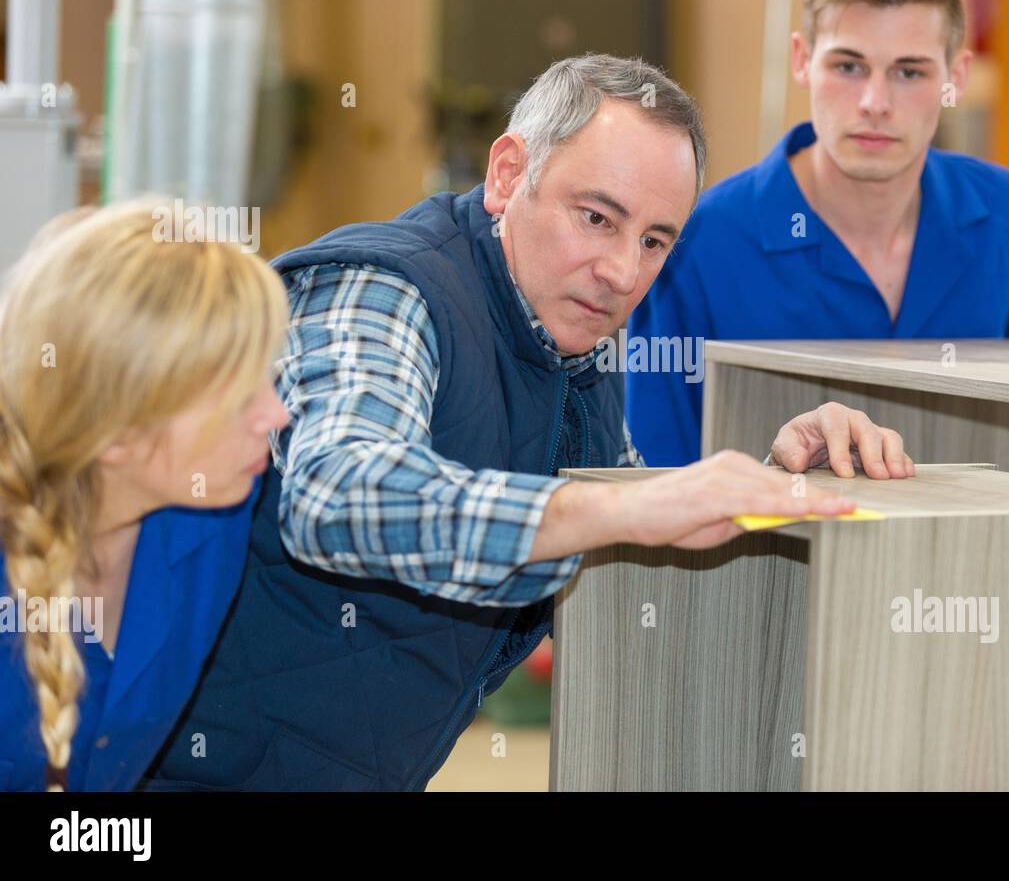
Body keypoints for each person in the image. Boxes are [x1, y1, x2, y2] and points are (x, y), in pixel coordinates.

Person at [144, 53, 913, 791]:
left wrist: (772, 481)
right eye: (595, 217)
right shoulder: (384, 290)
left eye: (654, 242)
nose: (621, 272)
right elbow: (338, 491)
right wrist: (622, 507)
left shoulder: (574, 354)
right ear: (508, 175)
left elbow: (627, 527)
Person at [626, 0, 1009, 478]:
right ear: (802, 59)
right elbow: (656, 468)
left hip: (972, 559)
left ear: (954, 77)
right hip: (768, 563)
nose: (875, 103)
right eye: (848, 66)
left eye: (909, 71)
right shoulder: (703, 241)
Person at [0, 201, 290, 791]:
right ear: (115, 432)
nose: (276, 413)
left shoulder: (218, 508)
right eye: (237, 395)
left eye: (269, 374)